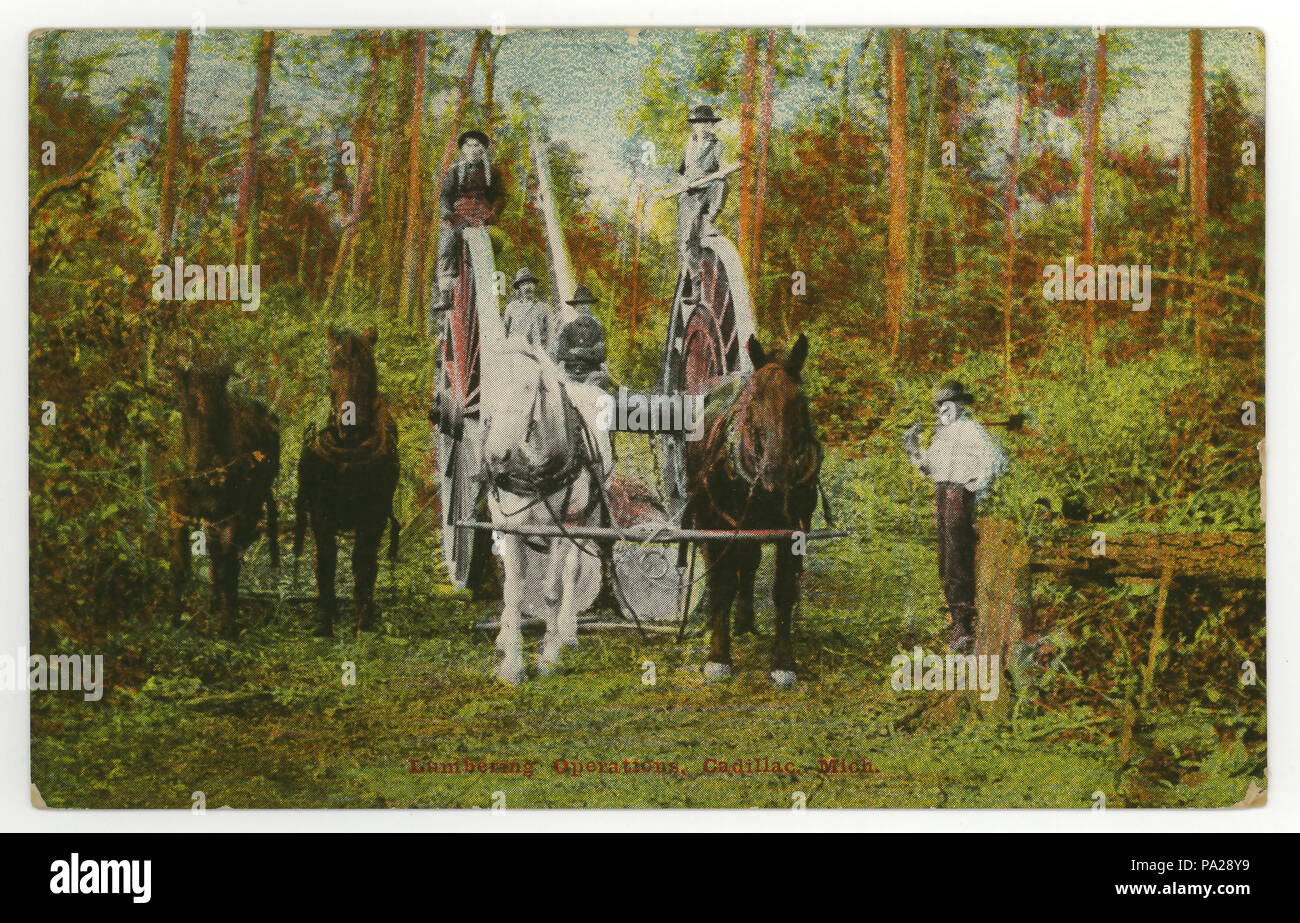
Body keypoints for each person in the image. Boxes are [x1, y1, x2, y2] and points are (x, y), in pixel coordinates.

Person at [903, 381, 1009, 654]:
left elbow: (997, 461)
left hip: (958, 496)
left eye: (948, 403)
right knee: (945, 559)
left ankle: (964, 626)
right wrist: (913, 446)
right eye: (940, 404)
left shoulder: (972, 430)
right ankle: (956, 622)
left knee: (958, 557)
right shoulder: (942, 434)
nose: (943, 409)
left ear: (960, 405)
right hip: (942, 493)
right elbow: (929, 466)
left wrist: (974, 489)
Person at [434, 129, 500, 313]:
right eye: (469, 145)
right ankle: (445, 290)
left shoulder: (491, 172)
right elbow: (444, 196)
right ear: (463, 149)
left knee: (501, 245)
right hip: (460, 213)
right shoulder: (454, 171)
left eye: (477, 146)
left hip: (483, 214)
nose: (473, 149)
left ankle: (500, 292)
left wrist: (494, 213)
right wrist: (447, 213)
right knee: (447, 238)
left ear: (483, 149)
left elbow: (500, 196)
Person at [676, 105, 728, 288]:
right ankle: (697, 280)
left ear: (711, 125)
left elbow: (724, 167)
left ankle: (709, 220)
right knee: (686, 242)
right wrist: (683, 183)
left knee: (721, 184)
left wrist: (720, 172)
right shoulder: (689, 145)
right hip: (689, 193)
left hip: (708, 187)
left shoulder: (717, 145)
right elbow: (681, 171)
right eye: (699, 123)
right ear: (694, 125)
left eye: (707, 123)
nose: (704, 127)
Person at [552, 285, 608, 385]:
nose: (583, 306)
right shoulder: (567, 328)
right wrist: (589, 353)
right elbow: (561, 354)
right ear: (575, 307)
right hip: (570, 375)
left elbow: (600, 354)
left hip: (592, 375)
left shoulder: (597, 328)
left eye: (586, 303)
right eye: (580, 303)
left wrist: (578, 351)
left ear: (590, 305)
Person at [502, 266, 553, 351]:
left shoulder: (543, 307)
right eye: (523, 284)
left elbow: (550, 334)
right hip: (516, 352)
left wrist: (546, 352)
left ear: (534, 285)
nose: (527, 287)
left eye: (529, 283)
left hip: (536, 352)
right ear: (519, 288)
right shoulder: (512, 307)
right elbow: (504, 331)